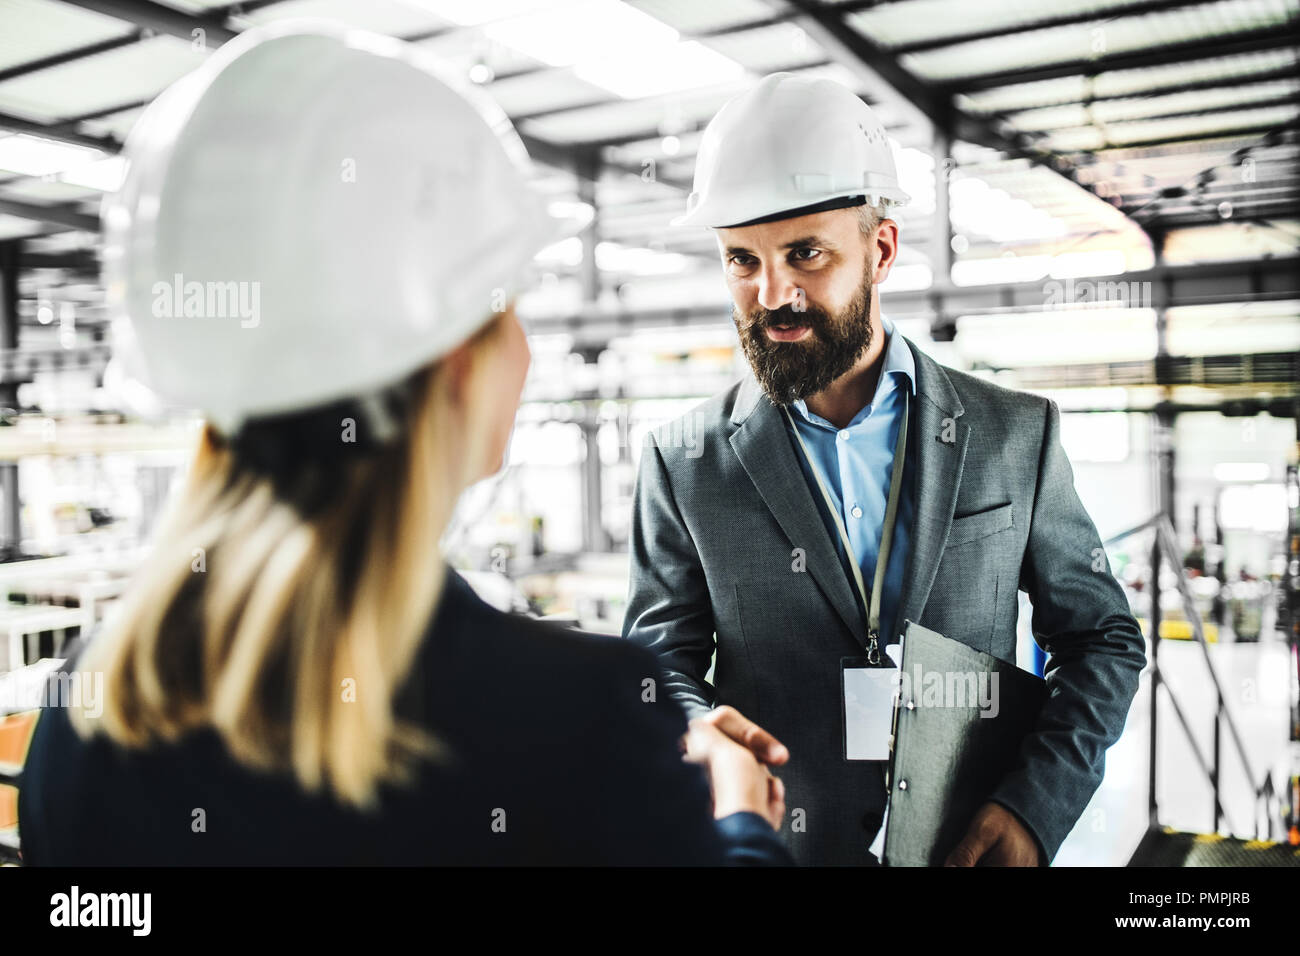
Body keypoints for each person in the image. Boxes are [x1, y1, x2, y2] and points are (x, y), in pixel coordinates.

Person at [17, 23, 790, 867]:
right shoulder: (577, 716)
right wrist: (740, 820)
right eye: (509, 305)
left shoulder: (89, 709)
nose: (525, 348)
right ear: (453, 360)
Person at [624, 72, 1146, 867]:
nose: (773, 295)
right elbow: (661, 665)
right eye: (741, 260)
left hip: (964, 848)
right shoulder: (684, 463)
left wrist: (1032, 809)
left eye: (806, 253)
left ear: (882, 250)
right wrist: (702, 735)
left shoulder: (1013, 435)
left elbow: (1101, 640)